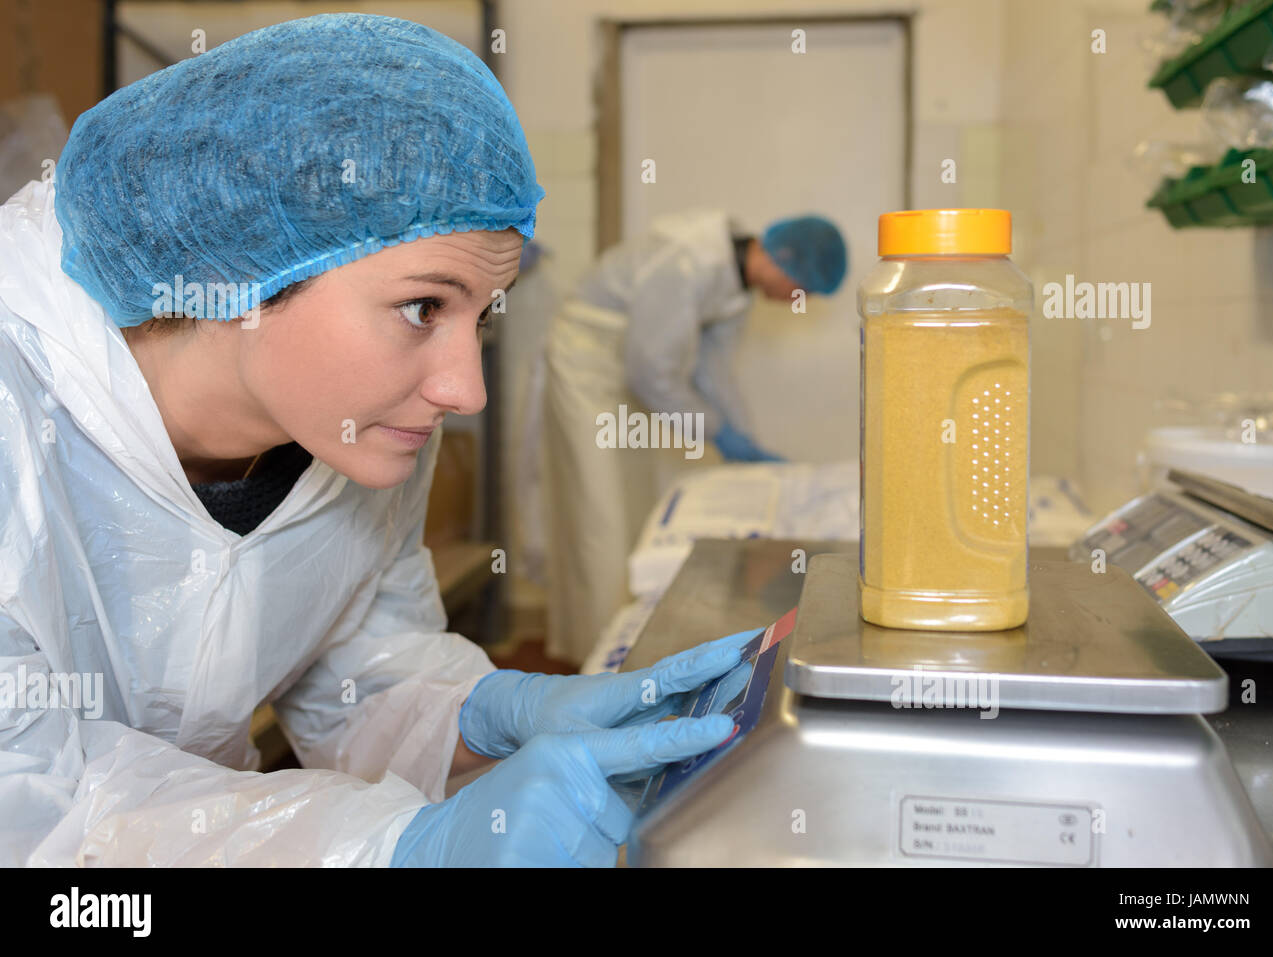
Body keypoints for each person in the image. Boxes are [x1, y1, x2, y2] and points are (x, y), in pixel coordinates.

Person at [0, 13, 758, 868]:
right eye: (424, 307)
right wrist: (397, 849)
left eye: (481, 317)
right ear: (247, 265)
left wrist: (479, 716)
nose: (464, 389)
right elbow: (30, 814)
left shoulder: (361, 427)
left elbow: (353, 670)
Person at [542, 209, 847, 664]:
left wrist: (745, 441)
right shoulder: (689, 262)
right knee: (600, 514)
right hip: (587, 366)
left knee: (629, 507)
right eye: (801, 290)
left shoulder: (737, 286)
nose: (794, 300)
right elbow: (652, 372)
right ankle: (593, 658)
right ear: (784, 260)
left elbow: (714, 373)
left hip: (626, 375)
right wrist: (717, 435)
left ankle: (617, 634)